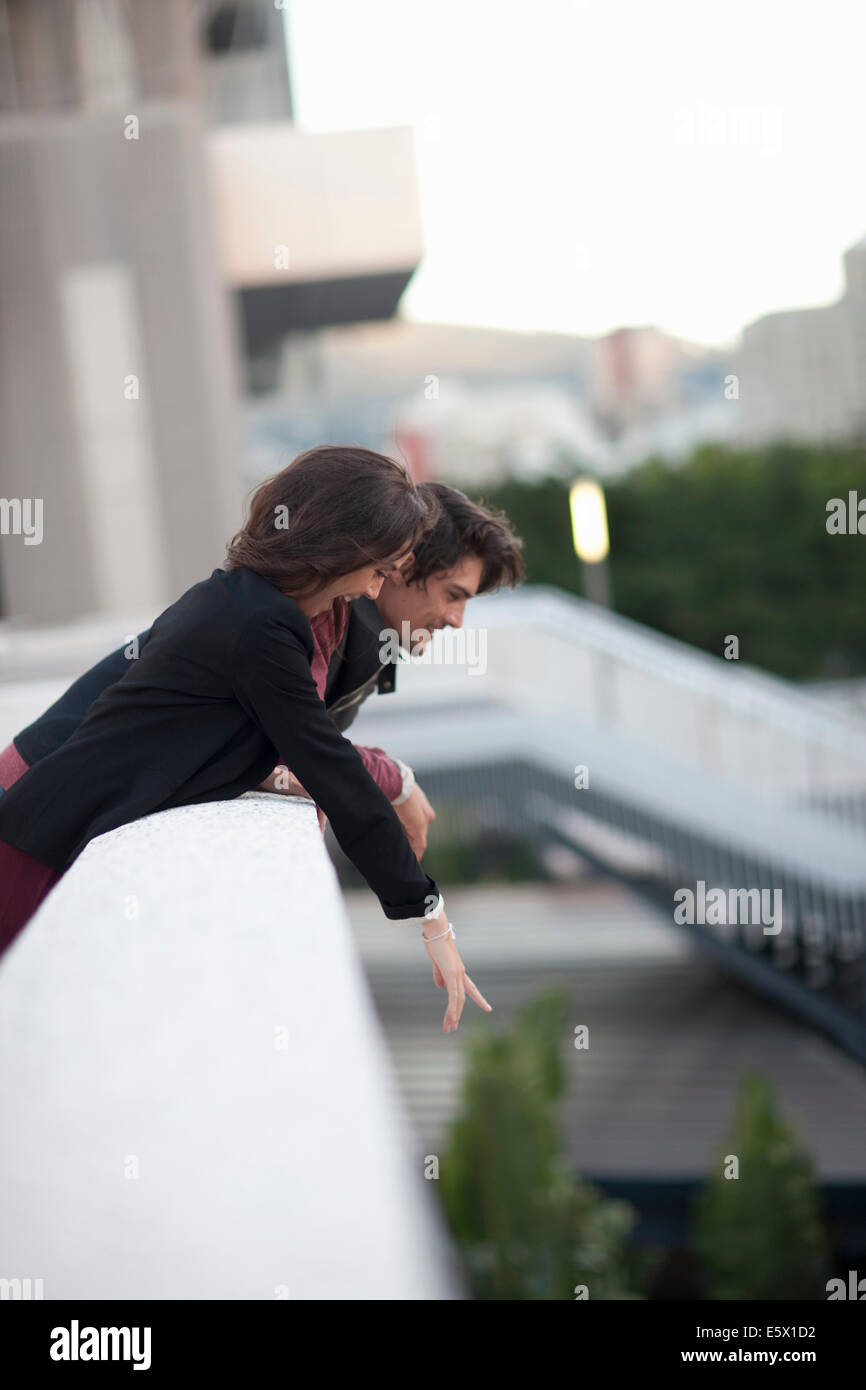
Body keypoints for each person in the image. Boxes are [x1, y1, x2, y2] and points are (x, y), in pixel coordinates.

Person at [0, 446, 491, 1034]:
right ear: (343, 548)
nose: (369, 591)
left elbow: (299, 756)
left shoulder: (246, 603)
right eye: (379, 570)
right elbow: (328, 766)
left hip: (52, 837)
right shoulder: (260, 627)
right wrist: (430, 916)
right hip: (38, 850)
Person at [2, 483, 526, 860]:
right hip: (43, 781)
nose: (457, 621)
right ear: (401, 565)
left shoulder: (355, 634)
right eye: (453, 596)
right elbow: (293, 750)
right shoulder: (324, 618)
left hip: (63, 783)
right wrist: (397, 782)